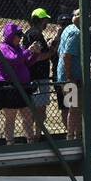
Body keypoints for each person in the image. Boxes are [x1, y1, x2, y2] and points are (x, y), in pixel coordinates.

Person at [0, 22, 42, 144]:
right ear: (10, 35)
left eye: (21, 35)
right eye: (18, 35)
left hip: (23, 86)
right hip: (9, 87)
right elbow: (14, 59)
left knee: (27, 115)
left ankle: (30, 140)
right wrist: (28, 50)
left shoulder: (19, 48)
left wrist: (35, 53)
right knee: (10, 117)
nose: (20, 37)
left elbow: (26, 63)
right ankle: (10, 142)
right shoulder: (2, 47)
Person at [24, 8, 54, 141]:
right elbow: (38, 56)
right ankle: (35, 135)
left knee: (35, 108)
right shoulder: (36, 34)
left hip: (34, 76)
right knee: (39, 109)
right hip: (38, 77)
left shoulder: (31, 33)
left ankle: (34, 135)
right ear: (41, 20)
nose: (47, 22)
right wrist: (52, 51)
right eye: (45, 19)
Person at [57, 9, 83, 139]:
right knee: (74, 108)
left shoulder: (68, 28)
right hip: (71, 77)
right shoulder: (76, 33)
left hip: (67, 75)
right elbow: (67, 55)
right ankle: (72, 136)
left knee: (73, 107)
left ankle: (75, 135)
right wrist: (69, 77)